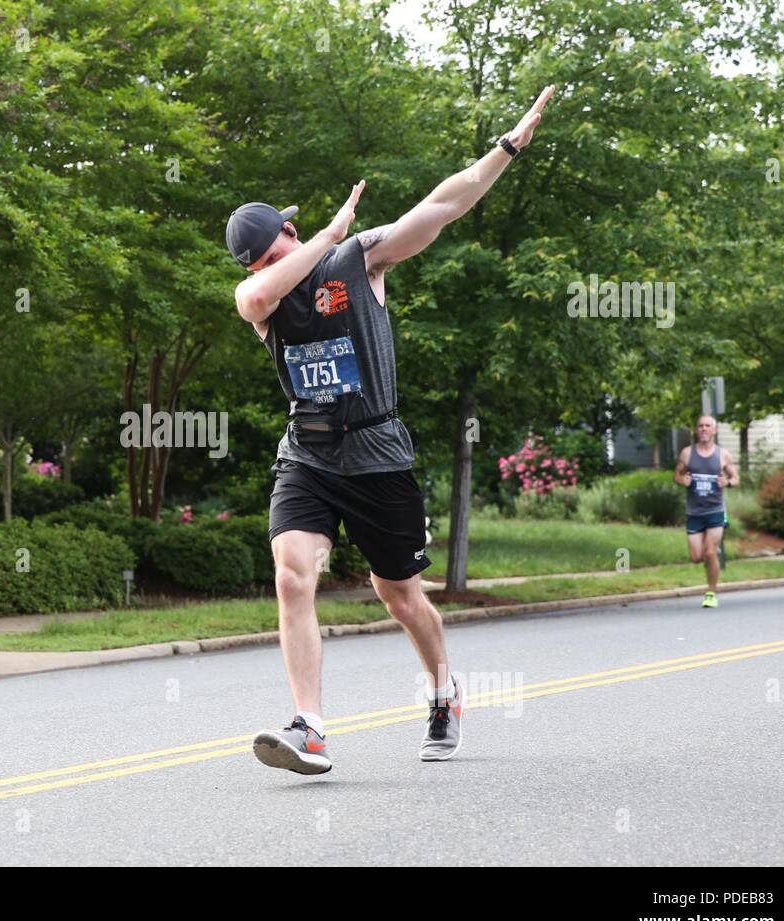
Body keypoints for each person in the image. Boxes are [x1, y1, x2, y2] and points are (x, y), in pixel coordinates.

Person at [228, 86, 558, 774]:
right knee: (293, 576)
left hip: (377, 451)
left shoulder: (362, 259)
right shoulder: (262, 299)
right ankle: (310, 727)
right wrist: (325, 234)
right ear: (280, 241)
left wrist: (505, 148)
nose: (305, 232)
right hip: (309, 453)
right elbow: (257, 293)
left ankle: (443, 690)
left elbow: (442, 204)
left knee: (399, 597)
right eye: (291, 230)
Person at [674, 414, 739, 608]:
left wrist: (727, 482)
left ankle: (711, 592)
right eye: (700, 426)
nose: (703, 429)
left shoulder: (722, 455)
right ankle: (712, 553)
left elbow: (736, 479)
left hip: (715, 511)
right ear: (696, 430)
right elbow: (677, 474)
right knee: (696, 557)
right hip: (694, 512)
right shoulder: (687, 453)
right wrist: (681, 480)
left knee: (709, 552)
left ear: (714, 430)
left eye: (707, 426)